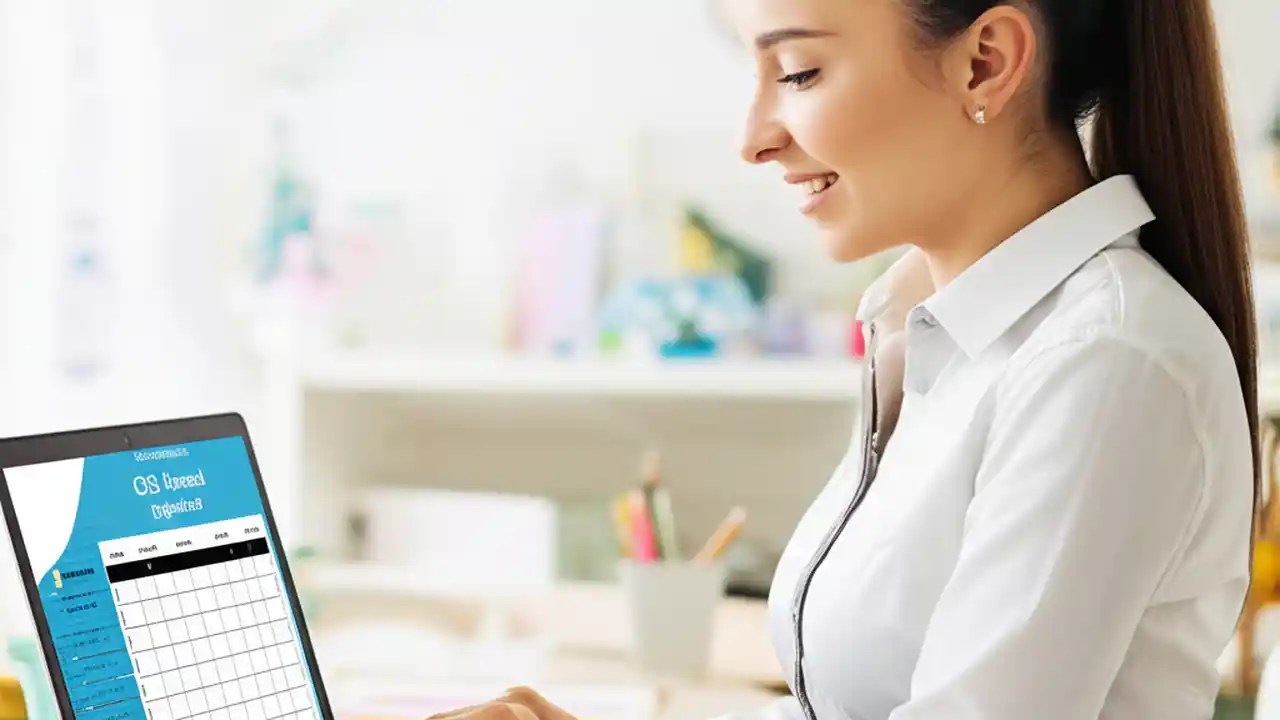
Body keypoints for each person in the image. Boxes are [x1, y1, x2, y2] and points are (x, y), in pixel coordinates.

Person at [431, 0, 1257, 717]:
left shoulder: (1106, 362)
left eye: (797, 73)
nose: (752, 139)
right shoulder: (933, 334)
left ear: (985, 63)